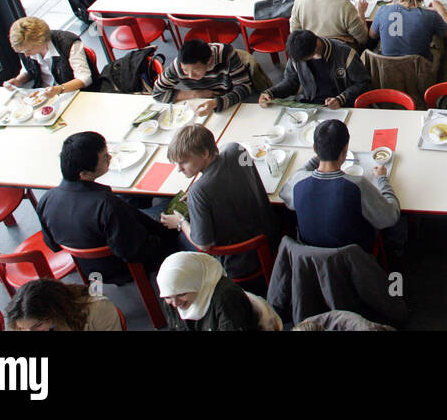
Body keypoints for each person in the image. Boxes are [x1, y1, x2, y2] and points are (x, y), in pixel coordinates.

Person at [37, 132, 177, 284]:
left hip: (89, 267)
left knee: (129, 198)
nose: (110, 158)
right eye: (105, 157)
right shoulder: (107, 205)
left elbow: (53, 246)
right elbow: (135, 252)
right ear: (84, 174)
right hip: (120, 266)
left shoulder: (46, 200)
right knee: (168, 201)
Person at [159, 124, 278, 279]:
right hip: (271, 232)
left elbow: (203, 245)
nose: (179, 169)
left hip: (240, 261)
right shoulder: (236, 149)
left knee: (181, 239)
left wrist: (181, 223)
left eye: (183, 162)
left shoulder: (198, 191)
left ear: (204, 153)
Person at [292, 119, 400, 250]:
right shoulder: (357, 185)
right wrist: (383, 179)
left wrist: (321, 154)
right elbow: (390, 217)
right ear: (345, 149)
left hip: (310, 260)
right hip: (352, 259)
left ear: (314, 149)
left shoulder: (298, 181)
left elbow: (294, 181)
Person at [261, 29, 371, 109]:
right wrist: (271, 93)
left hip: (339, 106)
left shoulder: (344, 54)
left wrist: (341, 99)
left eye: (305, 59)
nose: (302, 62)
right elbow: (290, 83)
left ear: (315, 49)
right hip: (309, 104)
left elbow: (364, 83)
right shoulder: (297, 55)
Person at [158, 252, 258, 331]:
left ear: (195, 283)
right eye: (167, 297)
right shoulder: (171, 296)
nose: (175, 304)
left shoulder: (225, 298)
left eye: (181, 294)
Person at [152, 38, 252, 116]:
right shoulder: (177, 65)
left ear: (209, 61)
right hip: (201, 102)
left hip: (230, 100)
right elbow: (157, 93)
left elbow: (244, 87)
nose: (190, 76)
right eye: (185, 70)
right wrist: (195, 94)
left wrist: (216, 103)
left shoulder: (226, 55)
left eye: (196, 70)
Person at [4, 16, 93, 99]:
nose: (26, 55)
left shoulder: (67, 43)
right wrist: (19, 80)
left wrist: (59, 89)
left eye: (29, 50)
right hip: (43, 94)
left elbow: (85, 78)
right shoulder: (25, 47)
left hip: (72, 93)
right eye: (22, 52)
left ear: (41, 41)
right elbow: (29, 70)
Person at [4, 278, 124, 331]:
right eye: (22, 328)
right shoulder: (22, 321)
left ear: (55, 311)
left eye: (38, 325)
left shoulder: (98, 309)